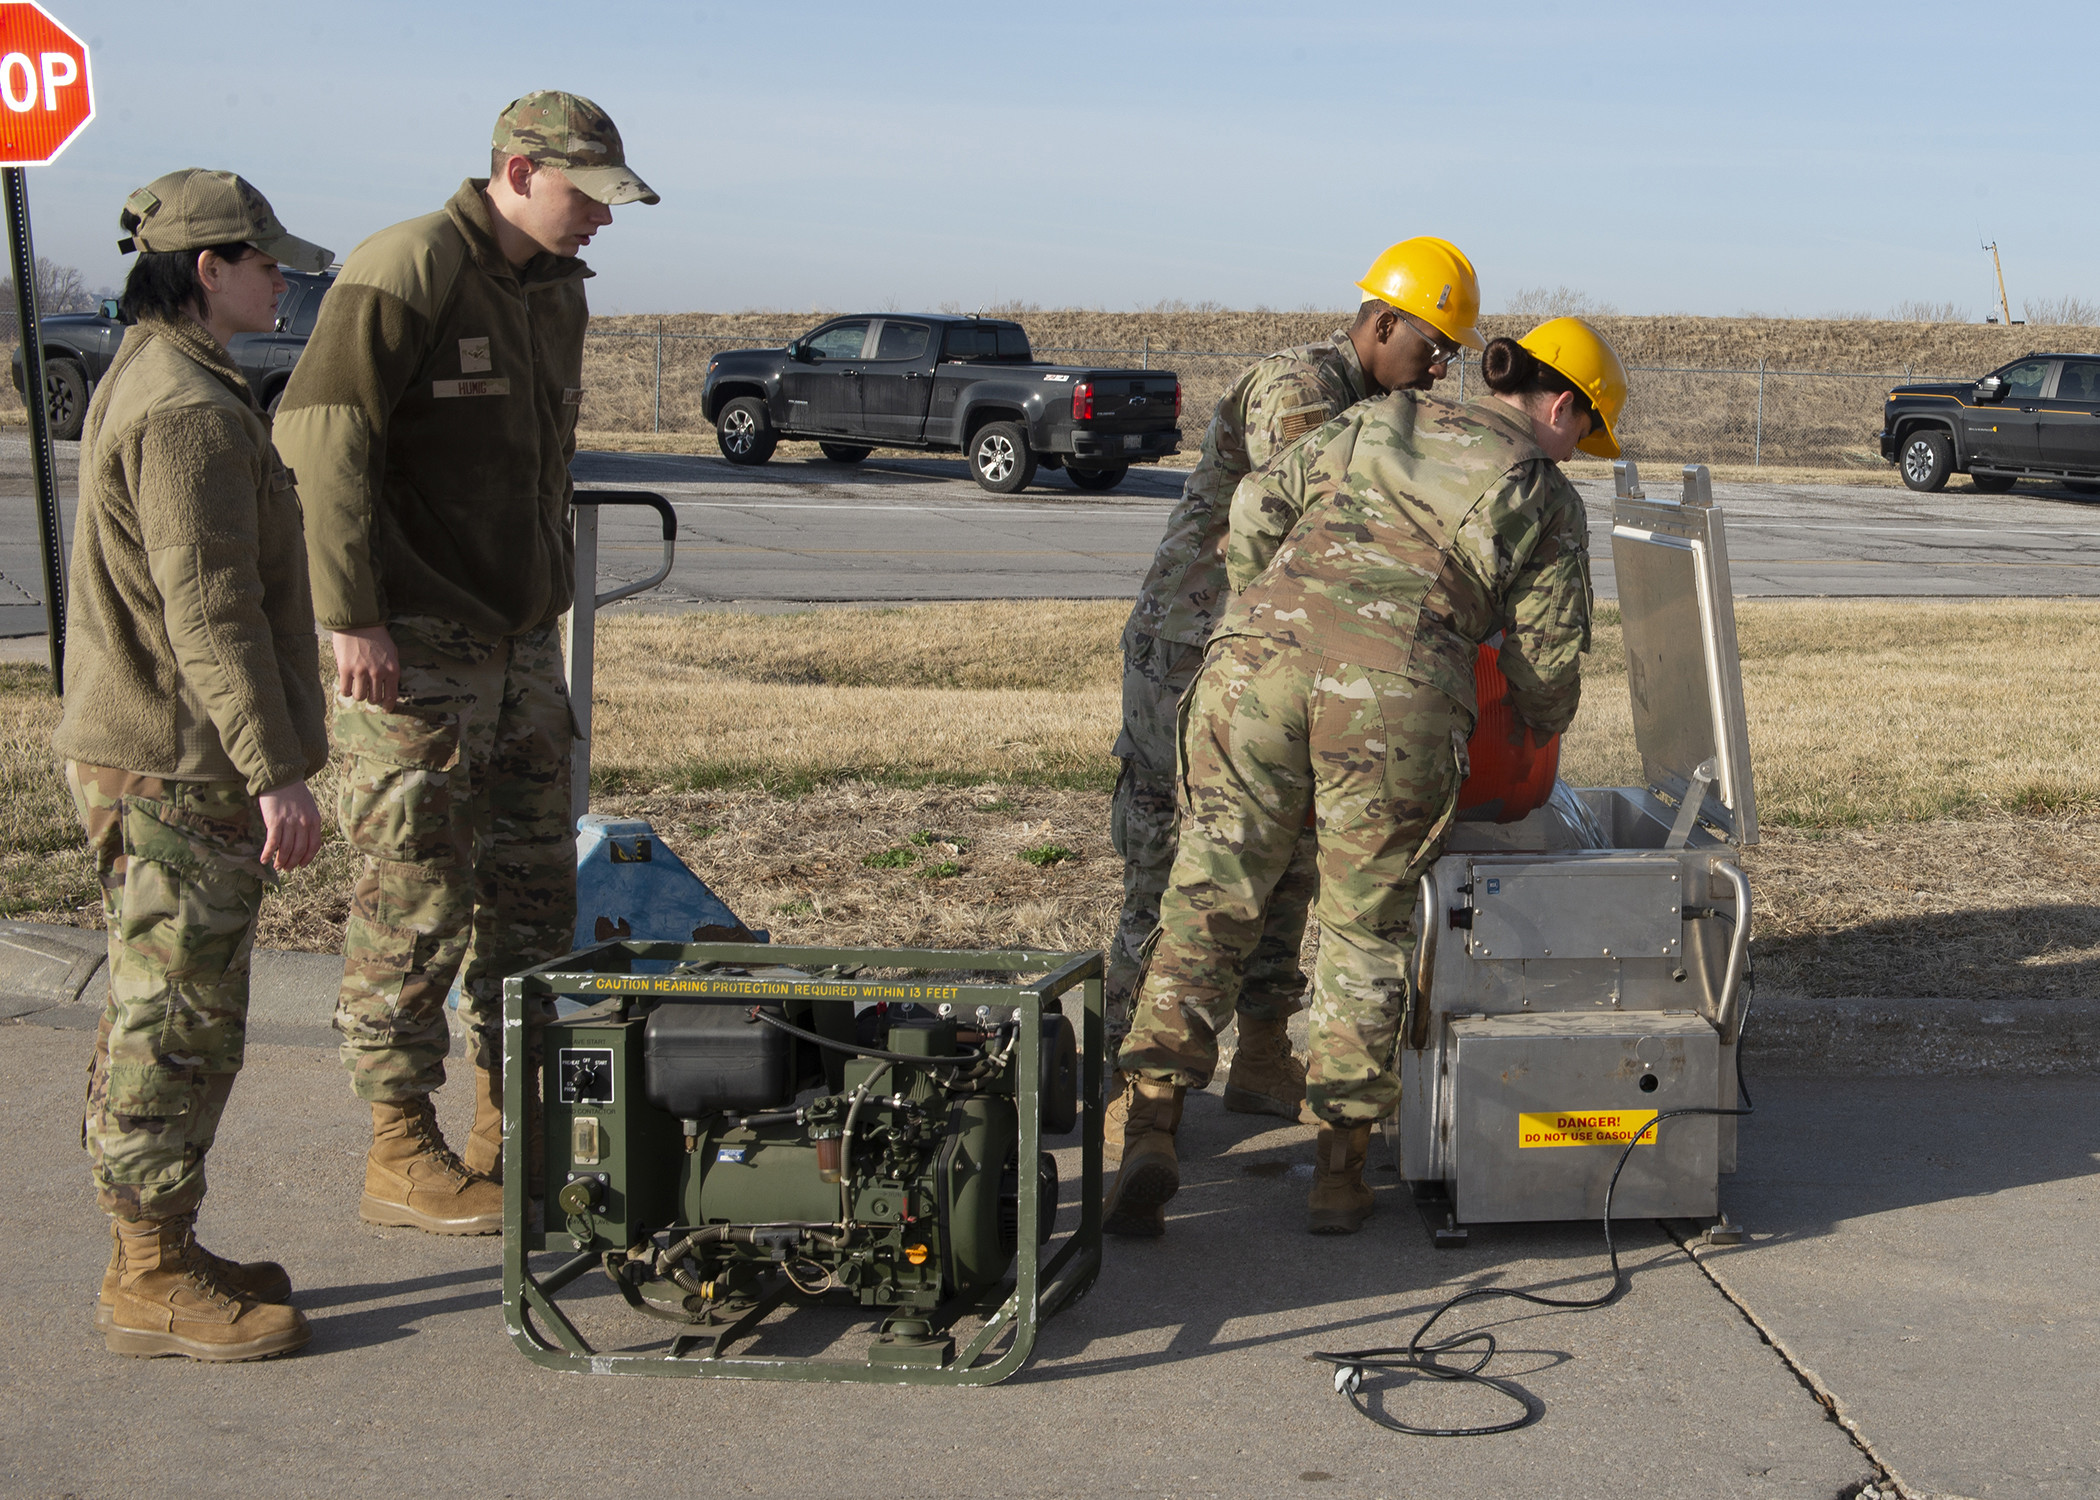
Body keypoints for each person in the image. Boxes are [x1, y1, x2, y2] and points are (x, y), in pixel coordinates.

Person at [1110, 317, 1626, 1237]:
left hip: (1248, 676)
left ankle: (1150, 1119)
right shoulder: (1544, 495)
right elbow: (1548, 670)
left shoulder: (1383, 420)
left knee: (1210, 893)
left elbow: (1255, 509)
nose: (1577, 451)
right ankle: (1339, 1174)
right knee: (1364, 927)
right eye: (1585, 431)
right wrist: (1529, 717)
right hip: (1392, 703)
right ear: (1559, 407)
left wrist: (1273, 610)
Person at [274, 92, 659, 1235]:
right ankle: (400, 1148)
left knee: (535, 893)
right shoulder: (410, 265)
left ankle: (512, 1127)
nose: (600, 218)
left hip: (518, 640)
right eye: (586, 195)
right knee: (415, 892)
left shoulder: (555, 295)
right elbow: (325, 435)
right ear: (516, 169)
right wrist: (349, 615)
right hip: (415, 643)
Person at [1105, 240, 1483, 1153]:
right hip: (1196, 654)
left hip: (1287, 666)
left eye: (1452, 356)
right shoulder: (1300, 389)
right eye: (1430, 345)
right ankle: (1127, 1078)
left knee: (1294, 857)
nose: (1438, 367)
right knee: (1183, 864)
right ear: (1381, 322)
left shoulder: (1382, 411)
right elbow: (1320, 520)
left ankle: (1264, 1051)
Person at [55, 169, 333, 1358]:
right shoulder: (186, 410)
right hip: (176, 758)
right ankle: (148, 1273)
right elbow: (207, 611)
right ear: (207, 269)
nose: (288, 279)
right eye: (269, 263)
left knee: (166, 1005)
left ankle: (158, 1241)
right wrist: (276, 770)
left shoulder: (166, 374)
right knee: (176, 1016)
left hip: (159, 749)